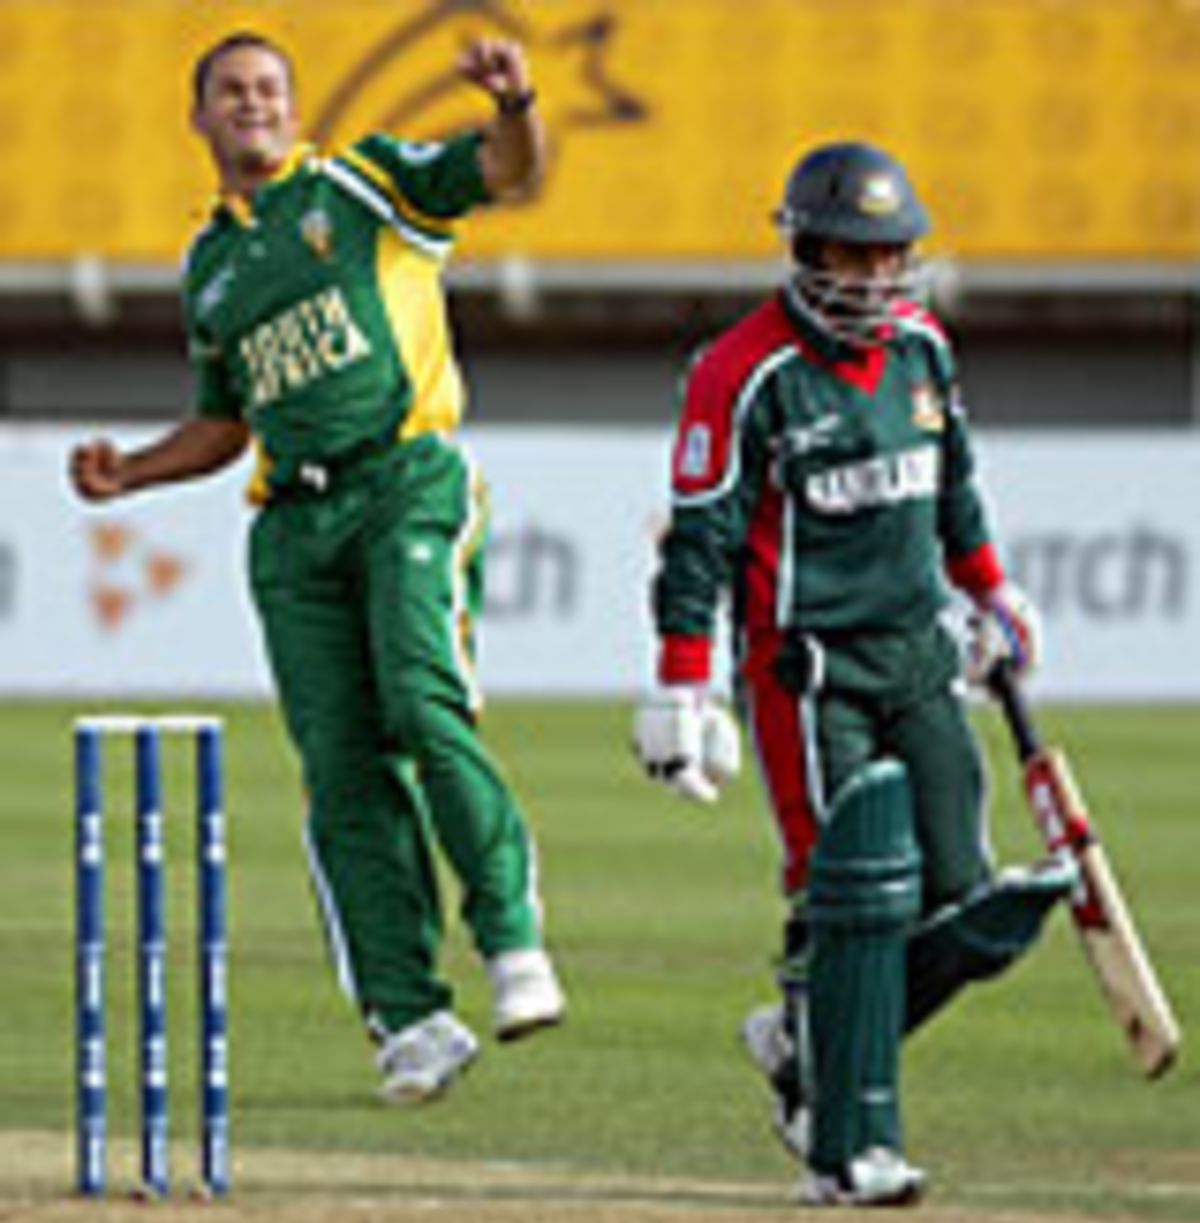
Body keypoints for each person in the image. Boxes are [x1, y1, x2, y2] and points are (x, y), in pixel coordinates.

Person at [69, 30, 565, 1103]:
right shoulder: (209, 268)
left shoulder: (364, 180)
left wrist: (517, 101)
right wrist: (132, 472)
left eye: (269, 89)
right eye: (231, 93)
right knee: (341, 770)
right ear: (199, 118)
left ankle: (514, 941)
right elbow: (222, 423)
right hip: (292, 528)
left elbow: (504, 170)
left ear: (293, 108)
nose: (252, 104)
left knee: (425, 708)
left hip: (405, 482)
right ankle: (410, 1015)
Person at [633, 141, 1076, 1206]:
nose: (875, 277)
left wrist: (991, 589)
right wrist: (680, 681)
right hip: (806, 669)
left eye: (891, 255)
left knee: (966, 901)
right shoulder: (743, 370)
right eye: (853, 252)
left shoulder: (923, 346)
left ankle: (805, 1031)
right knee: (852, 894)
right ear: (803, 246)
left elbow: (952, 485)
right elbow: (701, 536)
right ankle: (847, 1148)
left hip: (919, 655)